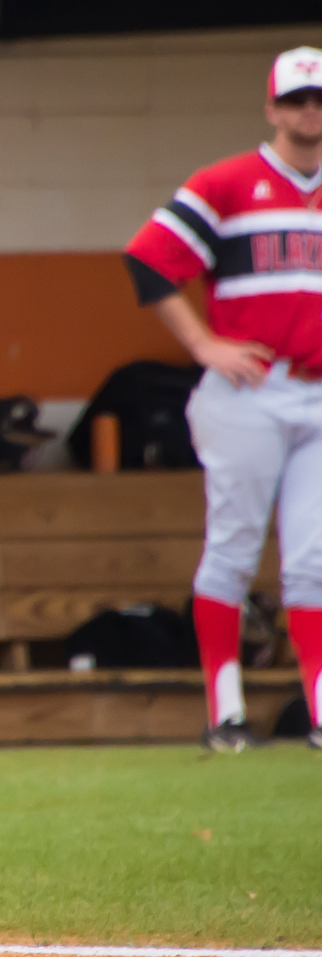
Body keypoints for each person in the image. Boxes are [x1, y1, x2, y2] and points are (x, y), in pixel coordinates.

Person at [124, 46, 322, 753]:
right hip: (249, 387)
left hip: (317, 393)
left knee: (313, 558)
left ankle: (320, 707)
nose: (309, 112)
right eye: (297, 99)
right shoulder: (229, 181)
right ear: (271, 107)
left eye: (319, 99)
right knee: (234, 547)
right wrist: (202, 343)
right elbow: (147, 256)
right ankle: (225, 708)